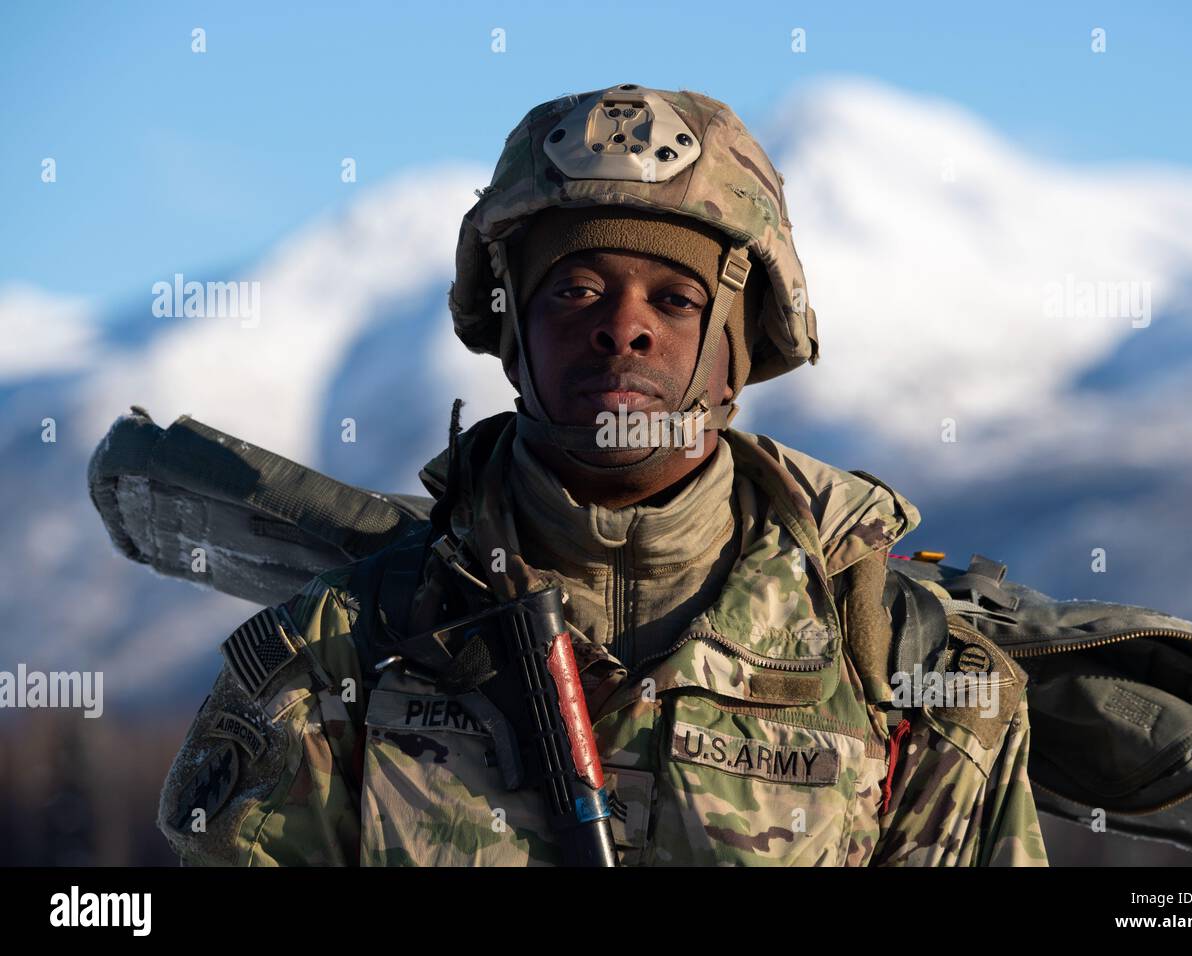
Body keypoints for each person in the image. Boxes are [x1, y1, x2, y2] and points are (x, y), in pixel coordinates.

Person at [156, 83, 1048, 866]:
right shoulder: (324, 665)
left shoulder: (909, 676)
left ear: (738, 358)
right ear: (513, 339)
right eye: (575, 290)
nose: (624, 328)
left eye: (676, 299)